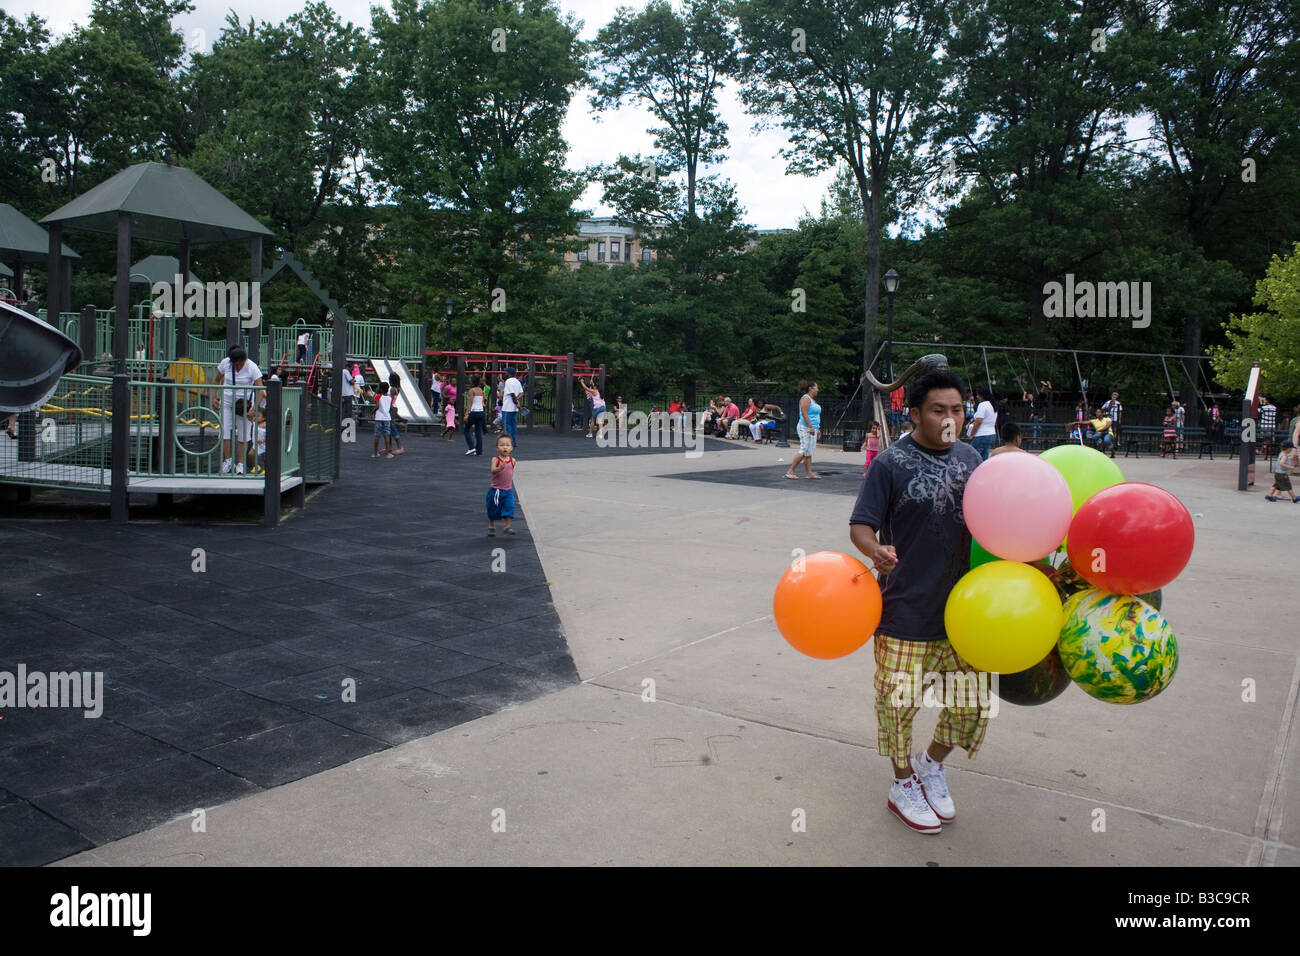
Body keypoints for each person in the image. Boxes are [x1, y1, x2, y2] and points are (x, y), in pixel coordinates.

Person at [848, 369, 987, 835]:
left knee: (970, 704)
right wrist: (874, 551)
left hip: (969, 613)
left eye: (957, 410)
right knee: (897, 707)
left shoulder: (972, 457)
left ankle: (932, 765)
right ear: (914, 415)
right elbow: (861, 525)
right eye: (937, 410)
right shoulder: (889, 463)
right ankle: (903, 782)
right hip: (905, 609)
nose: (949, 418)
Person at [211, 345, 264, 475]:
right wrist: (214, 397)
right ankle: (228, 460)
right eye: (235, 364)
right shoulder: (225, 364)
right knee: (225, 430)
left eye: (240, 364)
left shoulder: (252, 367)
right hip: (228, 400)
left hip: (244, 404)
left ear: (243, 361)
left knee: (243, 433)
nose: (238, 366)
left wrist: (254, 408)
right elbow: (217, 379)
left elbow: (260, 391)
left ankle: (240, 463)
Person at [784, 381, 821, 479]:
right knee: (804, 449)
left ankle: (809, 473)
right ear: (811, 388)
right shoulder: (805, 398)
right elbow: (804, 414)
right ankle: (790, 471)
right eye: (816, 387)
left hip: (812, 428)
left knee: (809, 451)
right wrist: (810, 427)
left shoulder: (812, 400)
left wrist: (817, 428)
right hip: (805, 427)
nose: (818, 390)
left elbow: (814, 416)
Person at [487, 434, 517, 536]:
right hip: (496, 490)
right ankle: (491, 525)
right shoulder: (495, 459)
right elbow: (493, 470)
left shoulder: (513, 460)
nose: (505, 447)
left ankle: (507, 526)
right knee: (493, 508)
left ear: (511, 448)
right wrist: (500, 468)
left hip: (508, 490)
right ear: (497, 448)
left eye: (507, 445)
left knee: (510, 506)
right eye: (502, 445)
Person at [966, 388, 997, 460]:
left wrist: (972, 434)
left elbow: (979, 421)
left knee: (970, 457)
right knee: (983, 458)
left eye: (978, 395)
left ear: (982, 396)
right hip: (991, 434)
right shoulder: (992, 405)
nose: (976, 397)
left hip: (982, 435)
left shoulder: (982, 405)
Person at [464, 374, 486, 456]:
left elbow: (470, 403)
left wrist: (466, 414)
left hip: (474, 412)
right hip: (481, 411)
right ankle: (479, 450)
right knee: (478, 432)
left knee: (466, 430)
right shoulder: (480, 390)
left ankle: (471, 447)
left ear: (472, 381)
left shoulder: (472, 390)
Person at [501, 367, 524, 445]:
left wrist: (515, 400)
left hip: (507, 407)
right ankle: (513, 442)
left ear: (509, 373)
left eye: (505, 372)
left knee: (507, 425)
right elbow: (521, 393)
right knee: (513, 425)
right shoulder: (517, 381)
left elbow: (512, 393)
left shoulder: (508, 381)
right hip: (514, 409)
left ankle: (509, 442)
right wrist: (517, 401)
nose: (504, 373)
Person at [372, 381, 394, 459]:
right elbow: (391, 408)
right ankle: (388, 453)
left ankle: (375, 453)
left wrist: (372, 412)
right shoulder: (389, 397)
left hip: (379, 418)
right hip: (387, 418)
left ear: (380, 389)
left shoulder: (378, 396)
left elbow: (377, 406)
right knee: (387, 435)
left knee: (377, 436)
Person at [387, 371, 406, 455]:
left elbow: (389, 400)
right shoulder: (397, 388)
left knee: (392, 428)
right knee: (389, 429)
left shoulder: (392, 389)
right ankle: (389, 447)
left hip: (391, 408)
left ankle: (400, 447)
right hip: (392, 408)